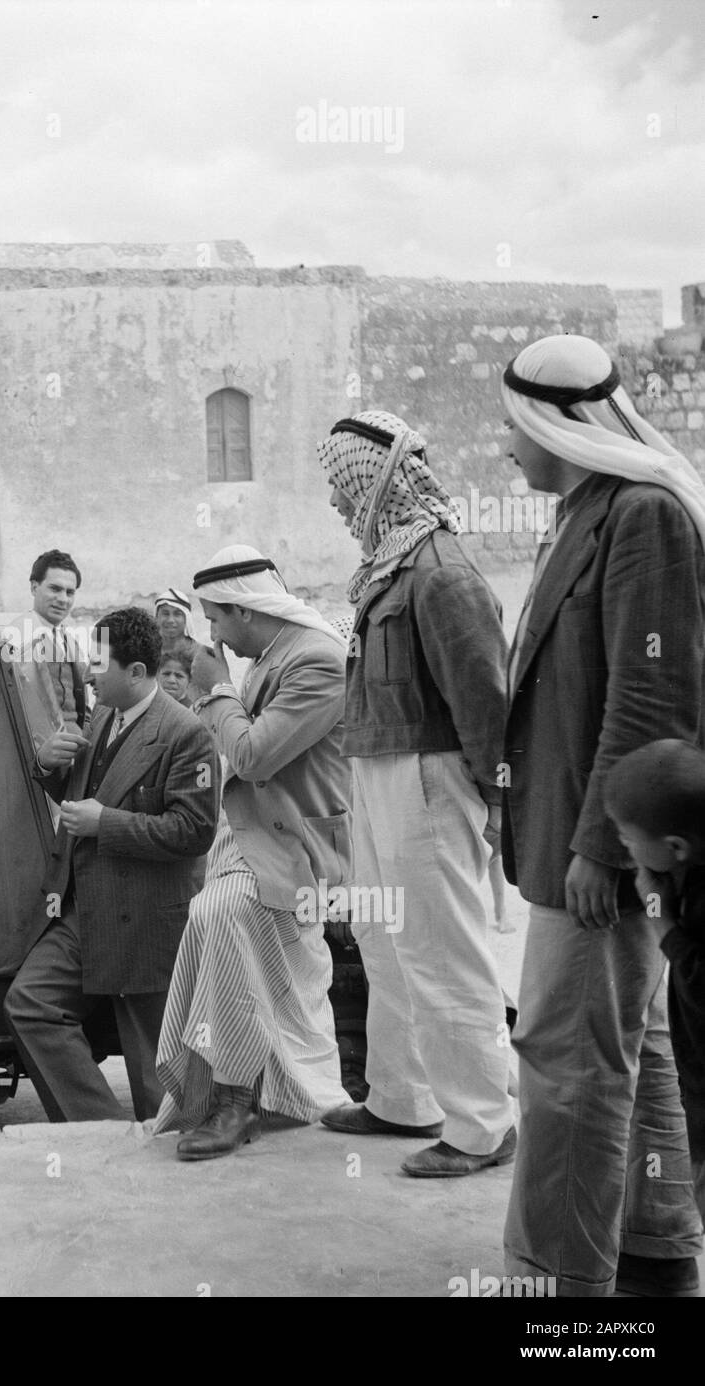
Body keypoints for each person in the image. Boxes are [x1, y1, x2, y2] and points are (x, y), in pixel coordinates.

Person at [499, 334, 705, 1297]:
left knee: (567, 1065)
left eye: (515, 429)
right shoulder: (592, 510)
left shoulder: (644, 515)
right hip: (575, 844)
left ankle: (560, 1294)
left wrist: (598, 850)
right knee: (631, 1047)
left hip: (593, 857)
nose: (508, 452)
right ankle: (656, 1249)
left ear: (561, 423)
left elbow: (652, 695)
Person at [316, 410, 516, 1178]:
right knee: (383, 942)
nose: (338, 505)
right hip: (378, 775)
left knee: (442, 951)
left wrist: (495, 802)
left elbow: (484, 699)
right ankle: (402, 1099)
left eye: (344, 488)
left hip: (428, 777)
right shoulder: (389, 568)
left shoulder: (440, 571)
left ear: (379, 483)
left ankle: (482, 1125)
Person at [153, 545, 353, 1160]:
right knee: (212, 924)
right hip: (250, 840)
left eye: (214, 618)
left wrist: (215, 693)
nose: (209, 633)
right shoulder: (274, 655)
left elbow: (252, 755)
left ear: (244, 611)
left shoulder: (316, 659)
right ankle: (218, 1093)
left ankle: (234, 1100)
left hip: (295, 845)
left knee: (223, 916)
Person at [4, 606, 218, 1122]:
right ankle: (99, 1128)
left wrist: (108, 825)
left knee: (157, 1077)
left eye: (98, 664)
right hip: (83, 909)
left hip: (146, 918)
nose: (88, 673)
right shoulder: (102, 715)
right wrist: (48, 765)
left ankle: (166, 1165)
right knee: (29, 1004)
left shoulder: (186, 733)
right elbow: (82, 795)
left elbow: (195, 832)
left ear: (137, 673)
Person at [606, 739, 705, 1224]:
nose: (625, 848)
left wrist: (660, 916)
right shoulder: (687, 864)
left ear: (675, 847)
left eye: (627, 838)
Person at [9, 549, 90, 732]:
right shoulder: (15, 637)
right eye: (55, 589)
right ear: (34, 587)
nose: (63, 599)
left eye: (70, 592)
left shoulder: (70, 640)